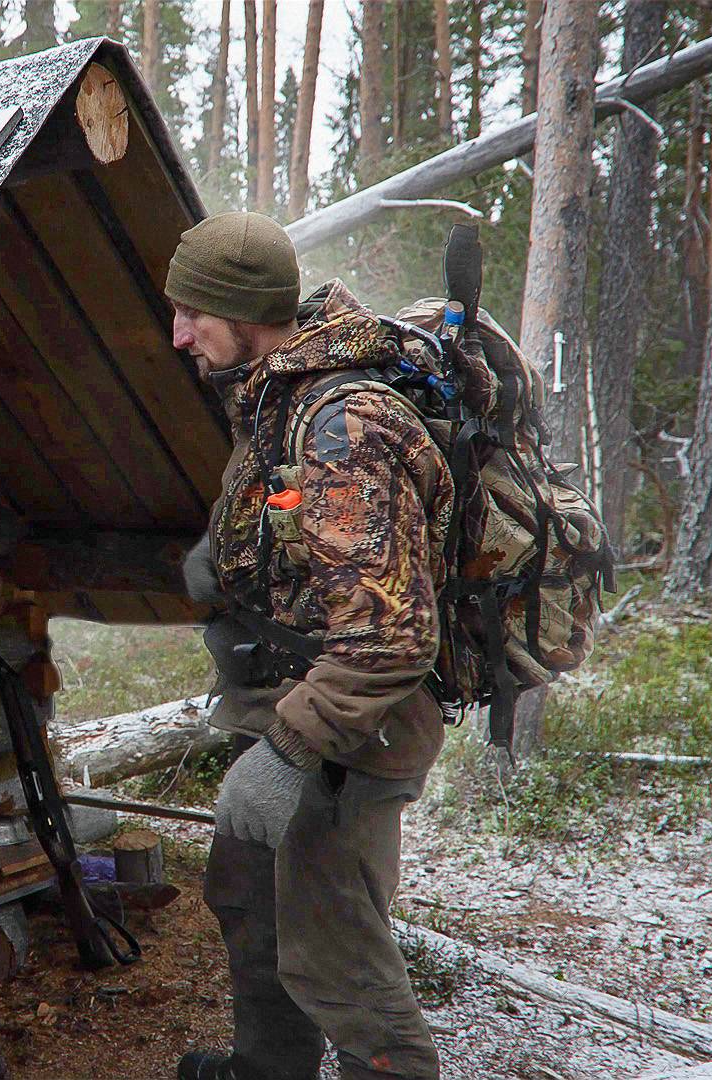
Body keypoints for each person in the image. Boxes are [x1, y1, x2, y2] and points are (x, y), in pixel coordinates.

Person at [166, 212, 456, 1080]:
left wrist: (288, 753)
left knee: (336, 960)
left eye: (193, 313)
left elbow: (389, 637)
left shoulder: (339, 427)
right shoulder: (273, 393)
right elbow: (303, 543)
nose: (177, 334)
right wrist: (223, 559)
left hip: (344, 737)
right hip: (286, 707)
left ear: (247, 310)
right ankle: (269, 1068)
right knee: (252, 904)